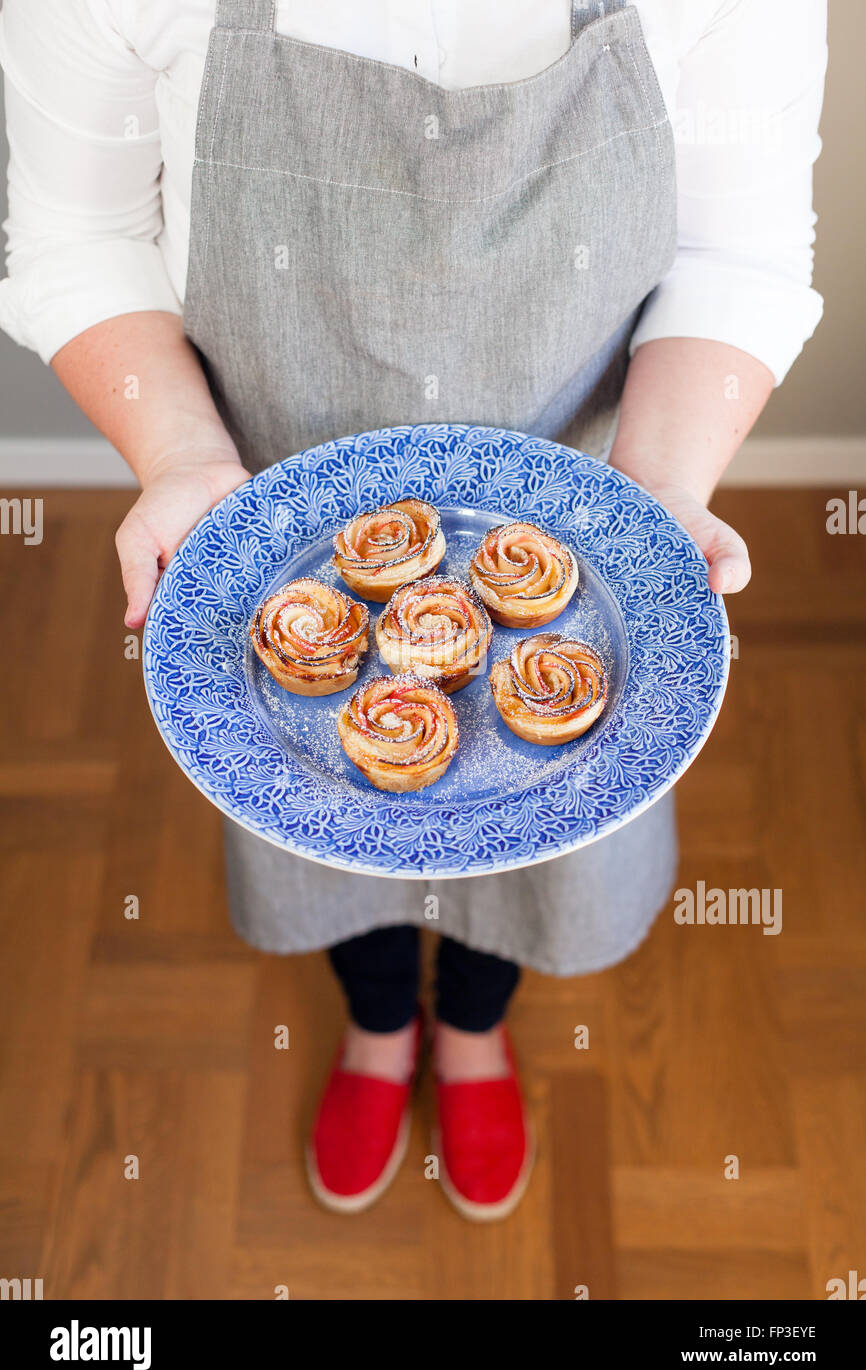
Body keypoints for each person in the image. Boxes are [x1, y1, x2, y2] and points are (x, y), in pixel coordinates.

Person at [0, 0, 826, 1220]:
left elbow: (735, 254)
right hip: (276, 527)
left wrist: (653, 500)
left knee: (529, 822)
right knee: (323, 816)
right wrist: (180, 459)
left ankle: (476, 1028)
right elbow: (78, 234)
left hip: (583, 516)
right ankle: (380, 1022)